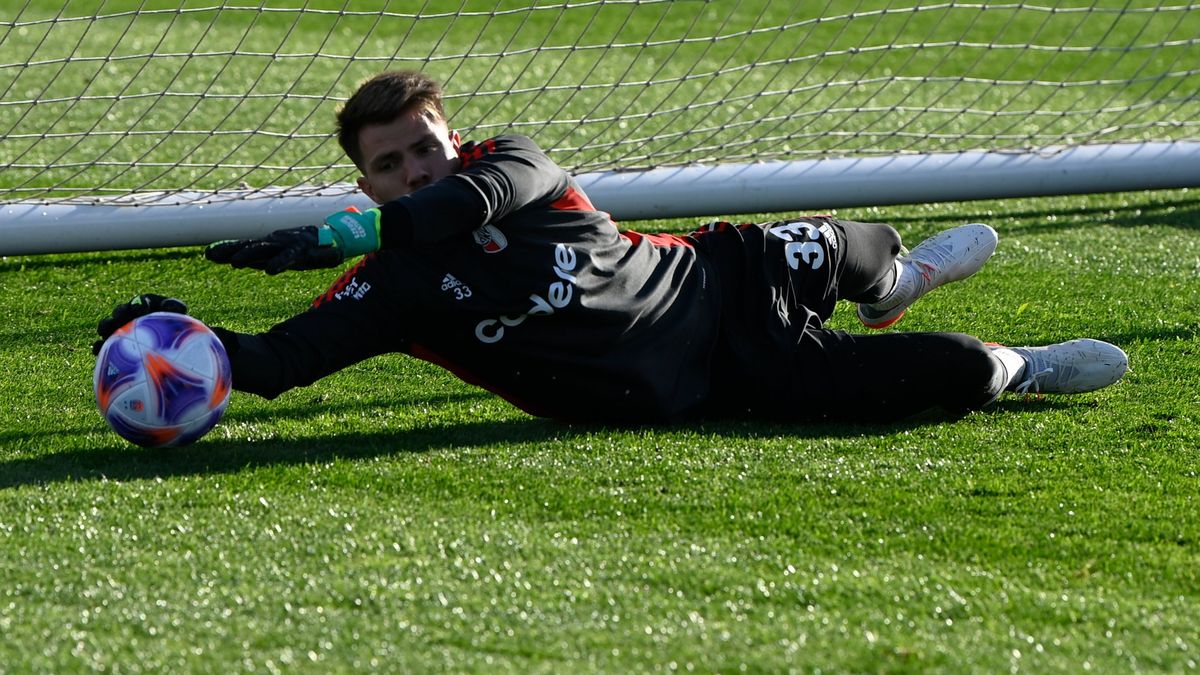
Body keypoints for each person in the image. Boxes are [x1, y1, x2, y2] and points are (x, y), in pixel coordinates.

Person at [95, 70, 1128, 425]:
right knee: (944, 374)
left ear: (457, 140)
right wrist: (167, 340)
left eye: (428, 148)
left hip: (724, 273)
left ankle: (894, 280)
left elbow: (473, 201)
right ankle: (1024, 370)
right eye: (393, 163)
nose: (418, 169)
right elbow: (277, 364)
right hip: (714, 375)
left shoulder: (515, 162)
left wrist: (339, 232)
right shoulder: (393, 289)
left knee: (860, 244)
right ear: (366, 178)